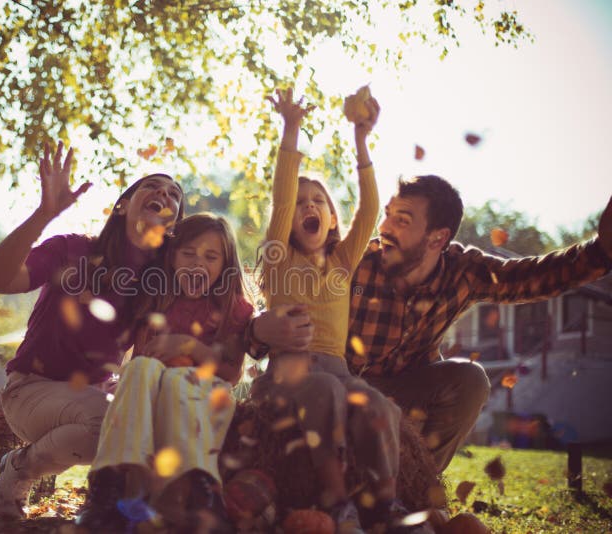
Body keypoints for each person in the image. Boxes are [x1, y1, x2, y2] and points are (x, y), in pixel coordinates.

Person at [250, 176, 612, 476]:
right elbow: (283, 294)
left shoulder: (462, 273)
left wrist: (601, 252)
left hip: (401, 396)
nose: (384, 228)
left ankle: (414, 489)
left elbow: (527, 278)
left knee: (470, 379)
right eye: (387, 215)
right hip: (330, 390)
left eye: (402, 220)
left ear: (437, 238)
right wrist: (257, 331)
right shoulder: (354, 260)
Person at [0, 140, 185, 519]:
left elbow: (143, 364)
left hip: (94, 395)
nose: (164, 194)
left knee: (150, 419)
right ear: (122, 206)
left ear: (172, 228)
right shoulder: (72, 250)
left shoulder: (156, 287)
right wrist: (43, 214)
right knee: (108, 422)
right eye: (152, 186)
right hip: (30, 391)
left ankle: (122, 512)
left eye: (174, 194)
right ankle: (20, 467)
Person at [249, 87, 405, 533]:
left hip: (338, 370)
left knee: (376, 403)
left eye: (318, 201)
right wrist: (291, 128)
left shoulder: (342, 263)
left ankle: (385, 504)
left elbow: (370, 209)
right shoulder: (279, 258)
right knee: (325, 389)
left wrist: (361, 142)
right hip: (287, 374)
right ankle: (337, 501)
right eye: (301, 204)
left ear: (332, 219)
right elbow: (282, 197)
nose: (308, 206)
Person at [75, 213, 254, 532]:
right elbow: (143, 363)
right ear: (172, 257)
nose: (198, 263)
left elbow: (230, 373)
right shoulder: (157, 301)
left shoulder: (232, 306)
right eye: (188, 253)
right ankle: (108, 485)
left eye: (210, 257)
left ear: (225, 264)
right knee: (140, 367)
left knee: (176, 379)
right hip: (158, 397)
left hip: (206, 396)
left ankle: (199, 489)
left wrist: (189, 346)